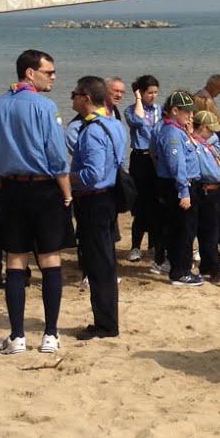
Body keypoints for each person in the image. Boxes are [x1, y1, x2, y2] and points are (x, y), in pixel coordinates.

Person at [0, 49, 73, 353]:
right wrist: (67, 193)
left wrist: (0, 186)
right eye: (49, 71)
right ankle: (50, 334)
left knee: (16, 260)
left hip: (12, 190)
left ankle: (17, 335)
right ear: (30, 73)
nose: (54, 77)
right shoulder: (45, 107)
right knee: (49, 259)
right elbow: (57, 157)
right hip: (45, 188)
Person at [69, 75, 128, 337]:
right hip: (107, 196)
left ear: (86, 98)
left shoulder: (92, 130)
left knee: (98, 264)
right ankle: (106, 320)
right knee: (104, 262)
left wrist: (68, 177)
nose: (72, 98)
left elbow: (91, 174)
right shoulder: (113, 124)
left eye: (75, 94)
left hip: (93, 198)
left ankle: (105, 324)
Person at [152, 89, 203, 286]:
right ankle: (180, 272)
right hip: (179, 186)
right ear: (174, 111)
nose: (191, 115)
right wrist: (184, 191)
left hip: (178, 185)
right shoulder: (172, 132)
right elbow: (177, 165)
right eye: (186, 112)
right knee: (183, 230)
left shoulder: (175, 129)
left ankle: (180, 267)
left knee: (183, 229)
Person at [124, 74, 163, 267]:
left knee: (157, 202)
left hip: (157, 158)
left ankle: (154, 244)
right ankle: (135, 246)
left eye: (155, 92)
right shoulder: (131, 110)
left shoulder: (160, 110)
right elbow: (138, 120)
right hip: (140, 157)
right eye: (149, 93)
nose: (153, 96)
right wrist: (138, 98)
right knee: (140, 202)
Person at [189, 110, 220, 286]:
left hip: (210, 190)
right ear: (203, 127)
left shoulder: (204, 142)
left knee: (207, 230)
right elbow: (208, 170)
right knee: (210, 232)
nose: (214, 133)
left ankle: (206, 265)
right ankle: (215, 269)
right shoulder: (197, 145)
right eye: (211, 130)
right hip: (207, 189)